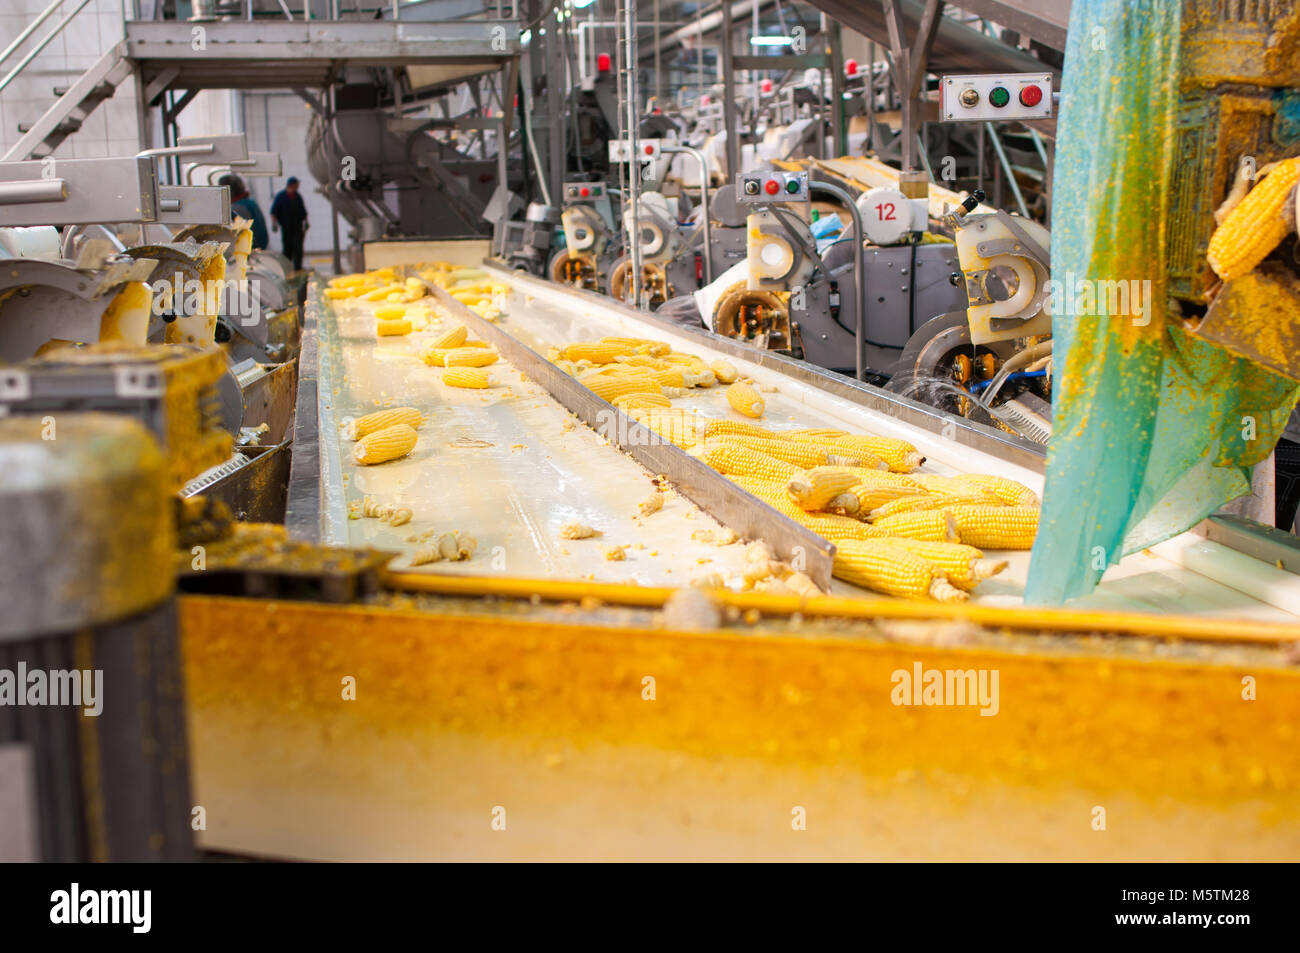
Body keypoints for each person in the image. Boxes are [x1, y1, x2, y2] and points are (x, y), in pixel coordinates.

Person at [217, 173, 268, 251]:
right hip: (259, 247)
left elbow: (240, 234)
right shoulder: (250, 202)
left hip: (252, 250)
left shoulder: (237, 208)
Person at [270, 176, 309, 270]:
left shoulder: (297, 196)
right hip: (286, 228)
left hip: (298, 228)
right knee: (287, 249)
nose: (298, 186)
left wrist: (306, 222)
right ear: (292, 185)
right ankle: (287, 269)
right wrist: (274, 224)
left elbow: (304, 212)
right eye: (297, 185)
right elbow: (273, 212)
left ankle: (298, 269)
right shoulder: (281, 197)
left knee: (298, 249)